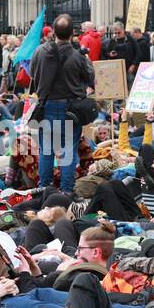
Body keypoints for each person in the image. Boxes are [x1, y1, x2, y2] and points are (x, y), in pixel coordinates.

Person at [29, 14, 94, 191]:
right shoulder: (77, 56)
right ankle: (66, 190)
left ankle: (45, 188)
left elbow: (32, 75)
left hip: (47, 105)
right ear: (72, 33)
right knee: (68, 150)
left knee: (46, 149)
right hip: (70, 108)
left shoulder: (40, 52)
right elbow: (90, 78)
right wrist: (86, 59)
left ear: (53, 32)